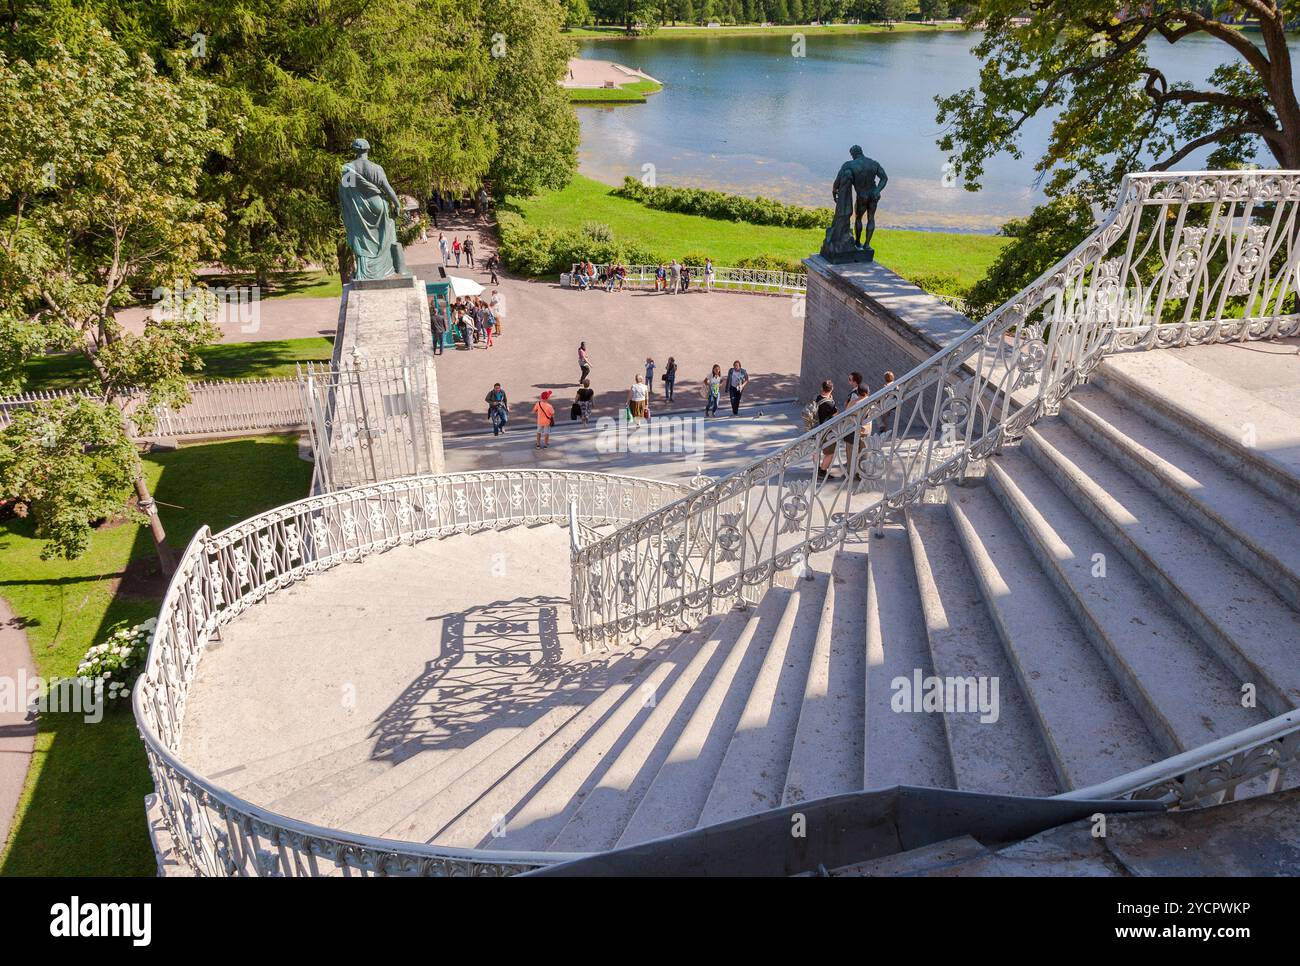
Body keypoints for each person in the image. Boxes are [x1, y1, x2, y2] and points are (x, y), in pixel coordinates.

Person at [815, 380, 839, 484]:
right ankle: (822, 471)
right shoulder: (830, 404)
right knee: (830, 452)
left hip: (816, 428)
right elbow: (836, 415)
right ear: (831, 389)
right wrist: (832, 402)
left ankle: (816, 468)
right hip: (827, 431)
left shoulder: (817, 398)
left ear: (822, 388)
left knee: (816, 450)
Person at [877, 370, 897, 437]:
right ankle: (883, 428)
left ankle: (882, 427)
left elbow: (883, 396)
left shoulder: (886, 386)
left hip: (888, 404)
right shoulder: (897, 385)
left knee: (875, 410)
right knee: (883, 414)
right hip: (894, 403)